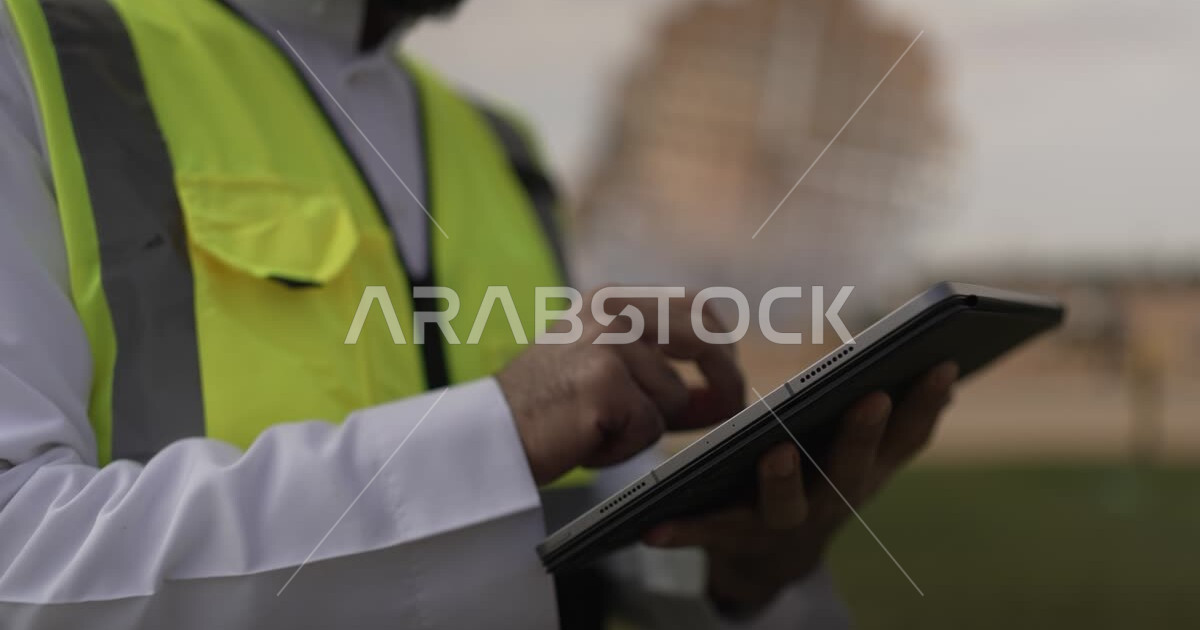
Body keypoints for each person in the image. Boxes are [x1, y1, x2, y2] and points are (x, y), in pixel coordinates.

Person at [0, 0, 956, 627]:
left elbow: (577, 520)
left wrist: (739, 573)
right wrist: (496, 435)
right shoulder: (34, 57)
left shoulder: (496, 148)